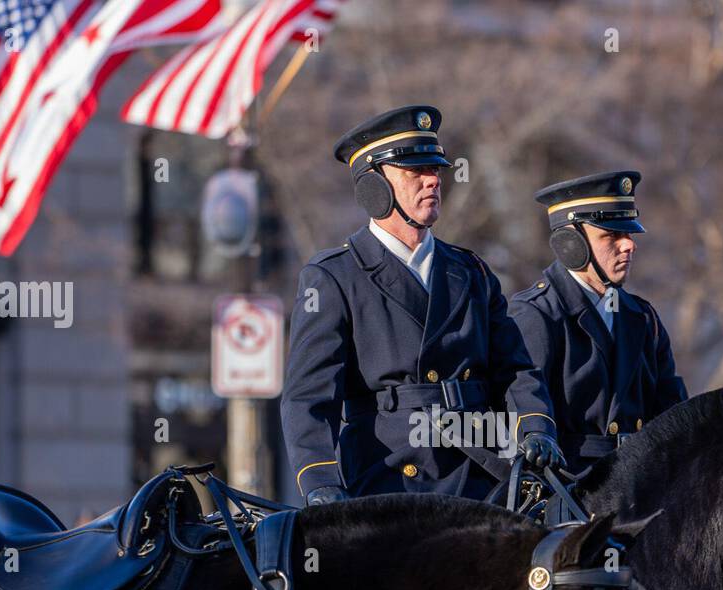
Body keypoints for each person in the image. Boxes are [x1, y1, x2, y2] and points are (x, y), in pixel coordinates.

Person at [281, 105, 565, 505]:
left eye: (436, 171)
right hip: (388, 478)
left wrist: (536, 427)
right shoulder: (333, 276)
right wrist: (320, 482)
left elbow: (515, 369)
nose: (434, 181)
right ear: (373, 187)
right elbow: (308, 397)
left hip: (481, 471)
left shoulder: (472, 271)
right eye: (416, 172)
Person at [508, 171, 687, 477]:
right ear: (570, 244)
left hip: (640, 481)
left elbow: (673, 411)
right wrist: (537, 433)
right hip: (568, 484)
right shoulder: (536, 314)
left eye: (628, 234)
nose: (628, 245)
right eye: (611, 235)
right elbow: (525, 391)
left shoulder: (642, 318)